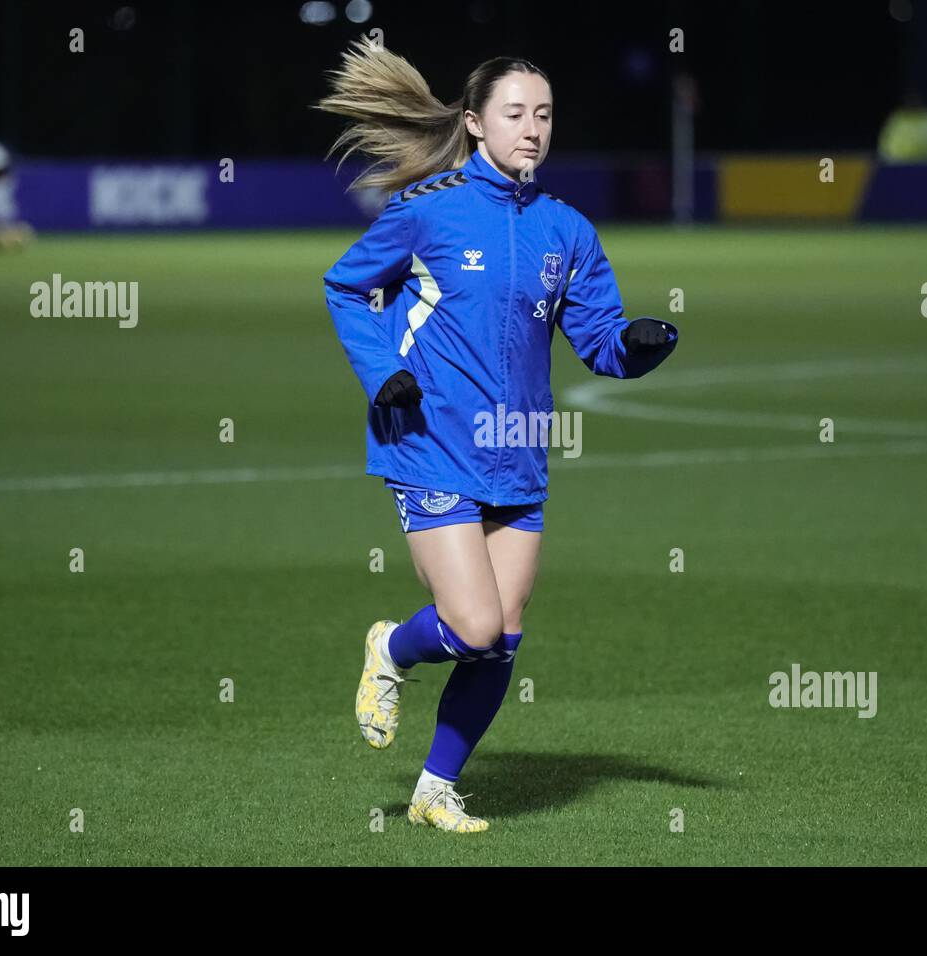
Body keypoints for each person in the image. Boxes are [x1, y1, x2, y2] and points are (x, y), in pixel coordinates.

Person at [317, 37, 680, 833]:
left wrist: (635, 349)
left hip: (517, 450)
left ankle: (434, 791)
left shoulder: (567, 230)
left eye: (544, 114)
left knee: (501, 639)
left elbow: (600, 339)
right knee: (473, 624)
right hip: (429, 436)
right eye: (515, 113)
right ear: (476, 123)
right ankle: (391, 649)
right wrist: (383, 374)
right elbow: (345, 286)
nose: (533, 128)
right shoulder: (428, 209)